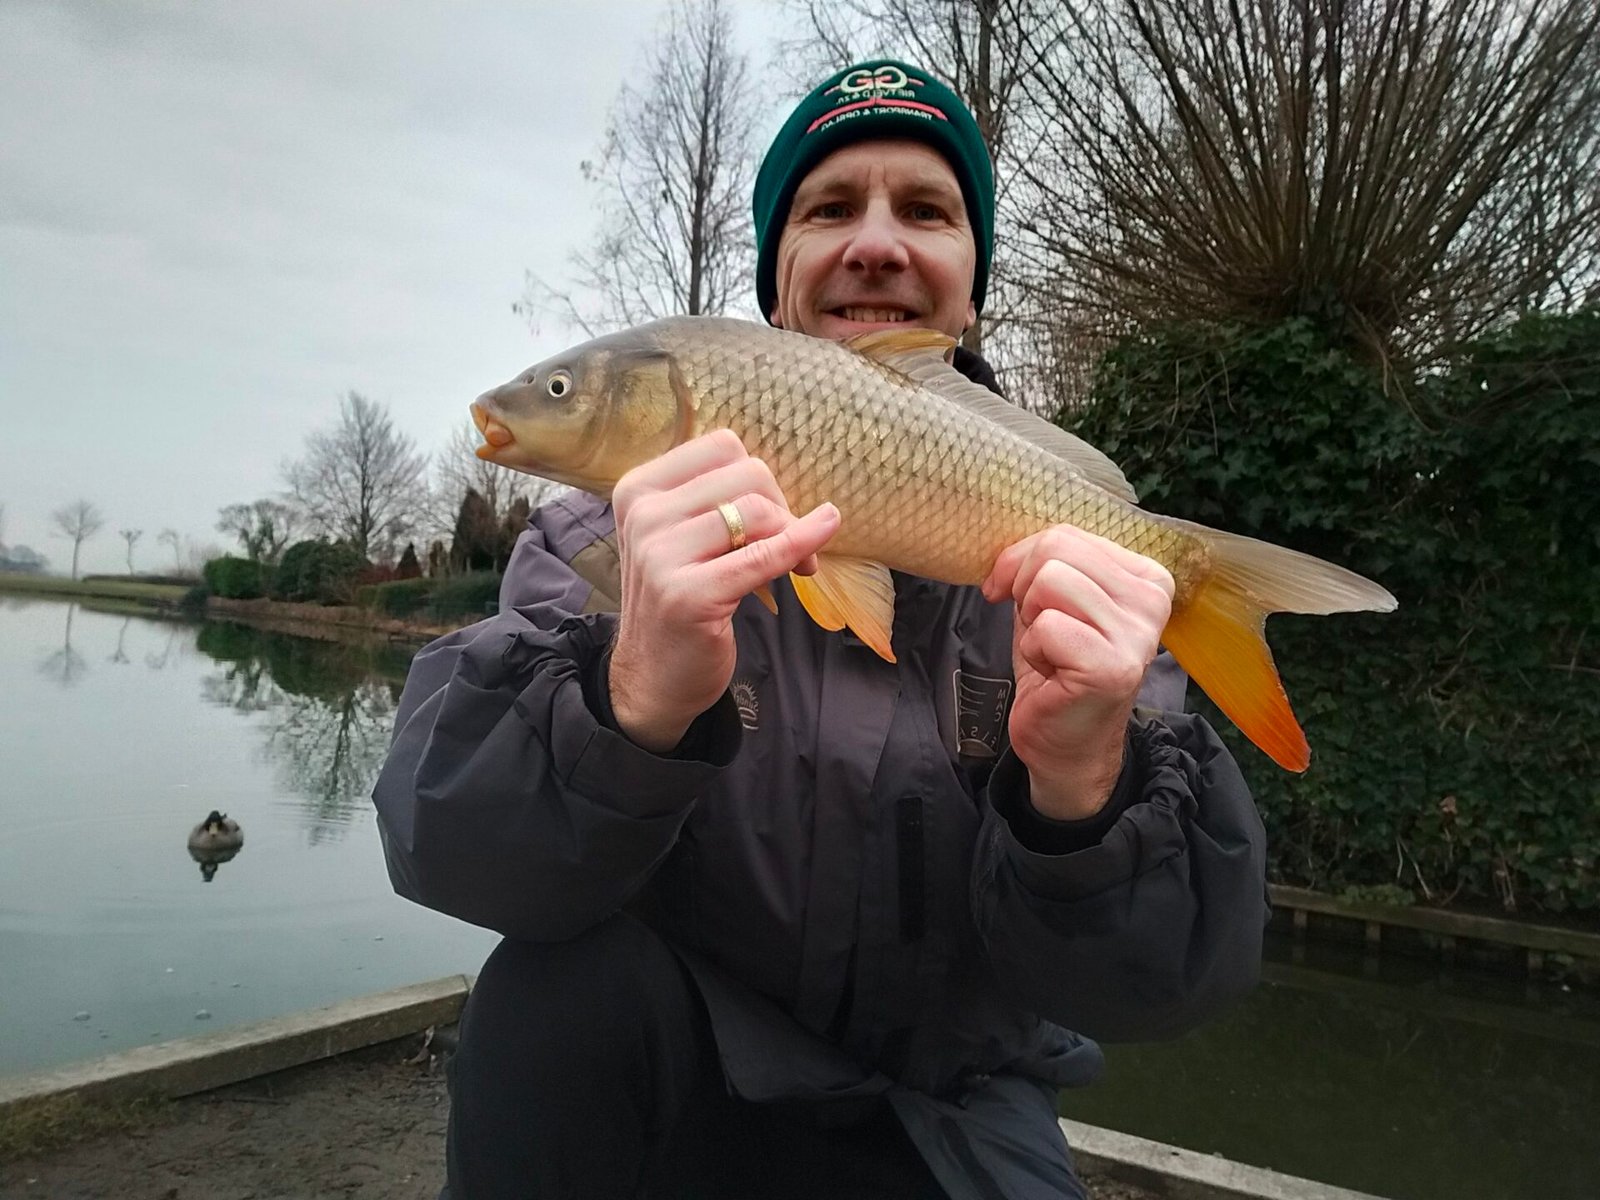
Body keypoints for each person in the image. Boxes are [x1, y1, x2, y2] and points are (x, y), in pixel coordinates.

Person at [374, 58, 1268, 1200]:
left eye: (928, 212)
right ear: (775, 279)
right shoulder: (591, 549)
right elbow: (454, 856)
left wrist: (1083, 785)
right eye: (831, 208)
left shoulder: (1083, 572)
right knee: (546, 1006)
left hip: (955, 1114)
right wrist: (632, 698)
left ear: (971, 282)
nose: (878, 243)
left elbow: (1162, 989)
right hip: (690, 1073)